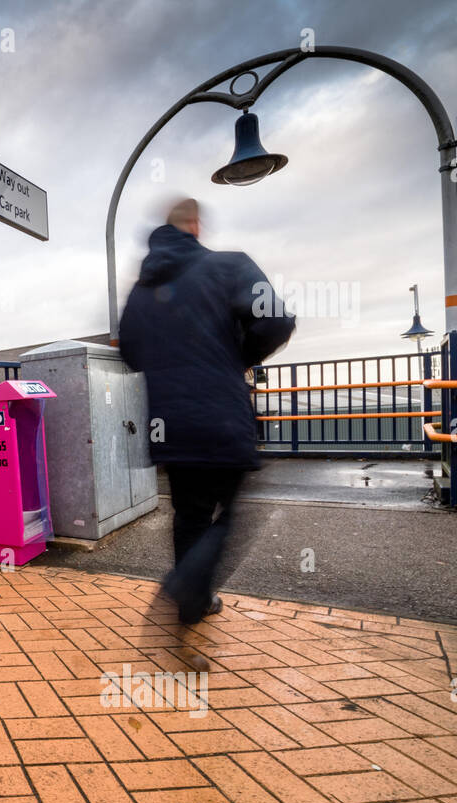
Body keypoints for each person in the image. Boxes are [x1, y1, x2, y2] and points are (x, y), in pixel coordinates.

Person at [118, 198, 295, 624]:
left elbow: (131, 352)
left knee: (189, 513)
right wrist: (241, 356)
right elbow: (276, 321)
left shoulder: (143, 290)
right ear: (195, 226)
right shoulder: (230, 266)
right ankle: (184, 584)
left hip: (169, 423)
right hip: (221, 415)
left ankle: (191, 605)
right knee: (229, 512)